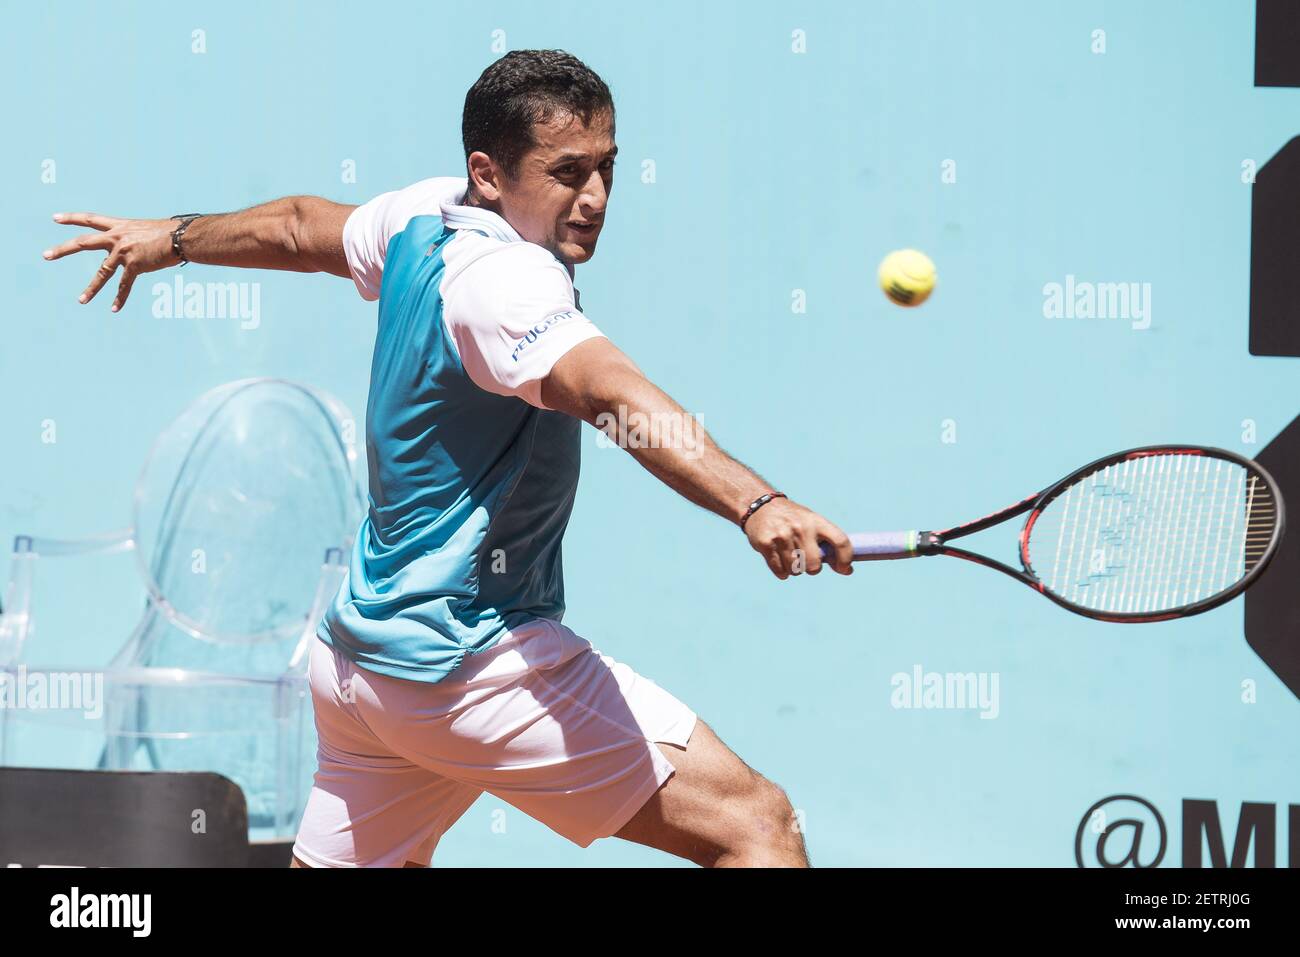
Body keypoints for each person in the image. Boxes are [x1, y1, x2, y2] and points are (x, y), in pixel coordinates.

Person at [43, 49, 854, 868]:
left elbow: (297, 224)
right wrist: (757, 503)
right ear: (489, 174)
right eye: (568, 172)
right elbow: (616, 398)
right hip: (470, 665)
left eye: (610, 167)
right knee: (757, 826)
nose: (598, 197)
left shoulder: (421, 216)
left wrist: (172, 239)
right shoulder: (506, 286)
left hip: (364, 666)